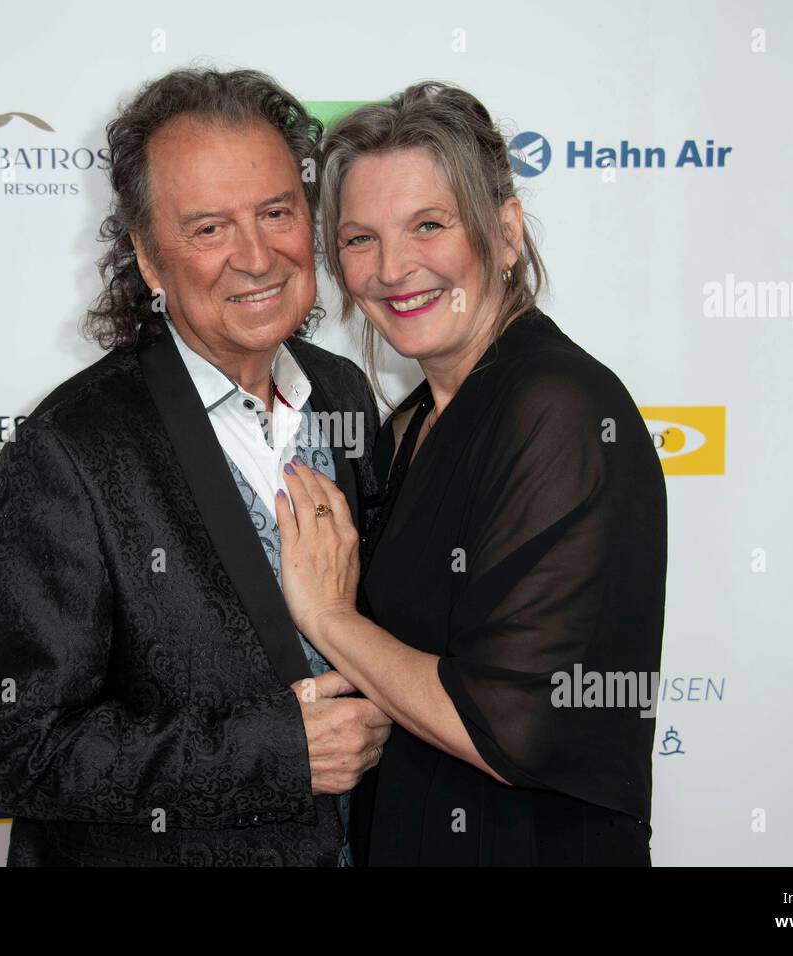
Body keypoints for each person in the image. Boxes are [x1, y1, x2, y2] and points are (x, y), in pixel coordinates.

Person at [0, 68, 390, 867]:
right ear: (150, 261)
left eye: (276, 212)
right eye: (208, 229)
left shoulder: (344, 394)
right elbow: (10, 746)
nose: (255, 256)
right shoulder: (69, 449)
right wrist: (275, 754)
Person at [273, 81, 668, 865]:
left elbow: (512, 726)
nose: (394, 268)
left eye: (429, 225)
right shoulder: (411, 421)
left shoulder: (557, 407)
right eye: (359, 240)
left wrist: (329, 620)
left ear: (507, 232)